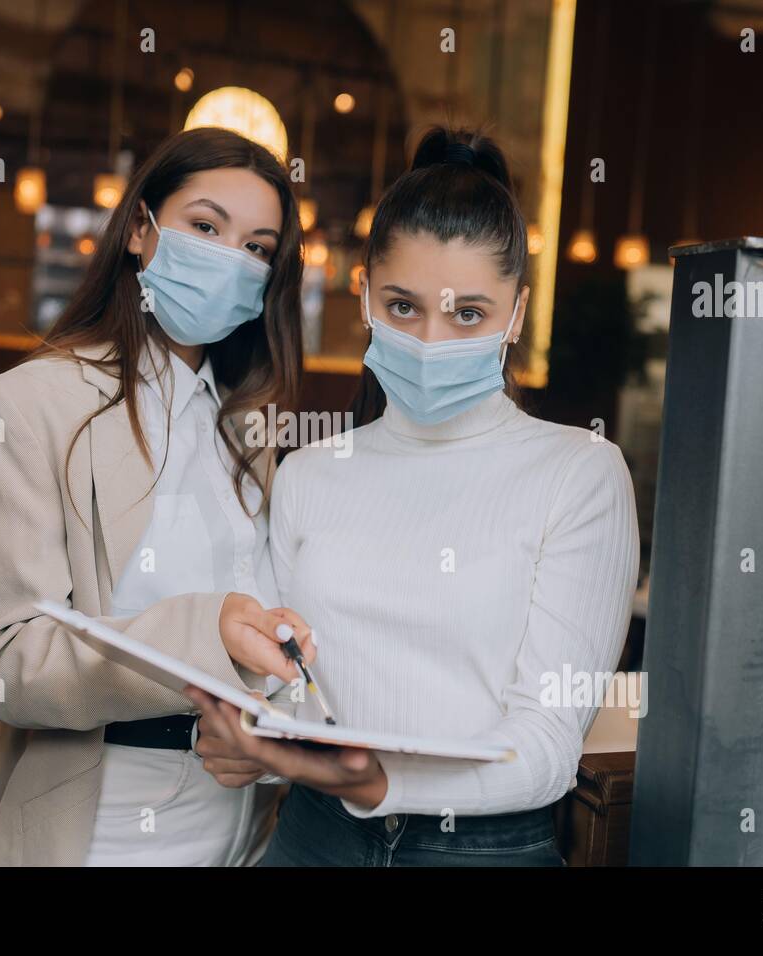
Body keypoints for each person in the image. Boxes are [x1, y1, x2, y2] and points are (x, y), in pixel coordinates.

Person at [188, 127, 640, 867]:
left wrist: (376, 780)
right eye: (403, 307)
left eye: (468, 315)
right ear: (363, 294)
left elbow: (548, 747)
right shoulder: (308, 473)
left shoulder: (580, 474)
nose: (431, 340)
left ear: (517, 314)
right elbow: (289, 691)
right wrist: (258, 747)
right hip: (313, 839)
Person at [0, 127, 313, 867]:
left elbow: (276, 637)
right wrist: (203, 634)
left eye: (257, 247)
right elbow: (3, 662)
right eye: (205, 227)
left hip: (242, 829)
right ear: (141, 230)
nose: (229, 259)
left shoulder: (252, 427)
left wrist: (275, 734)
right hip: (99, 827)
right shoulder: (25, 406)